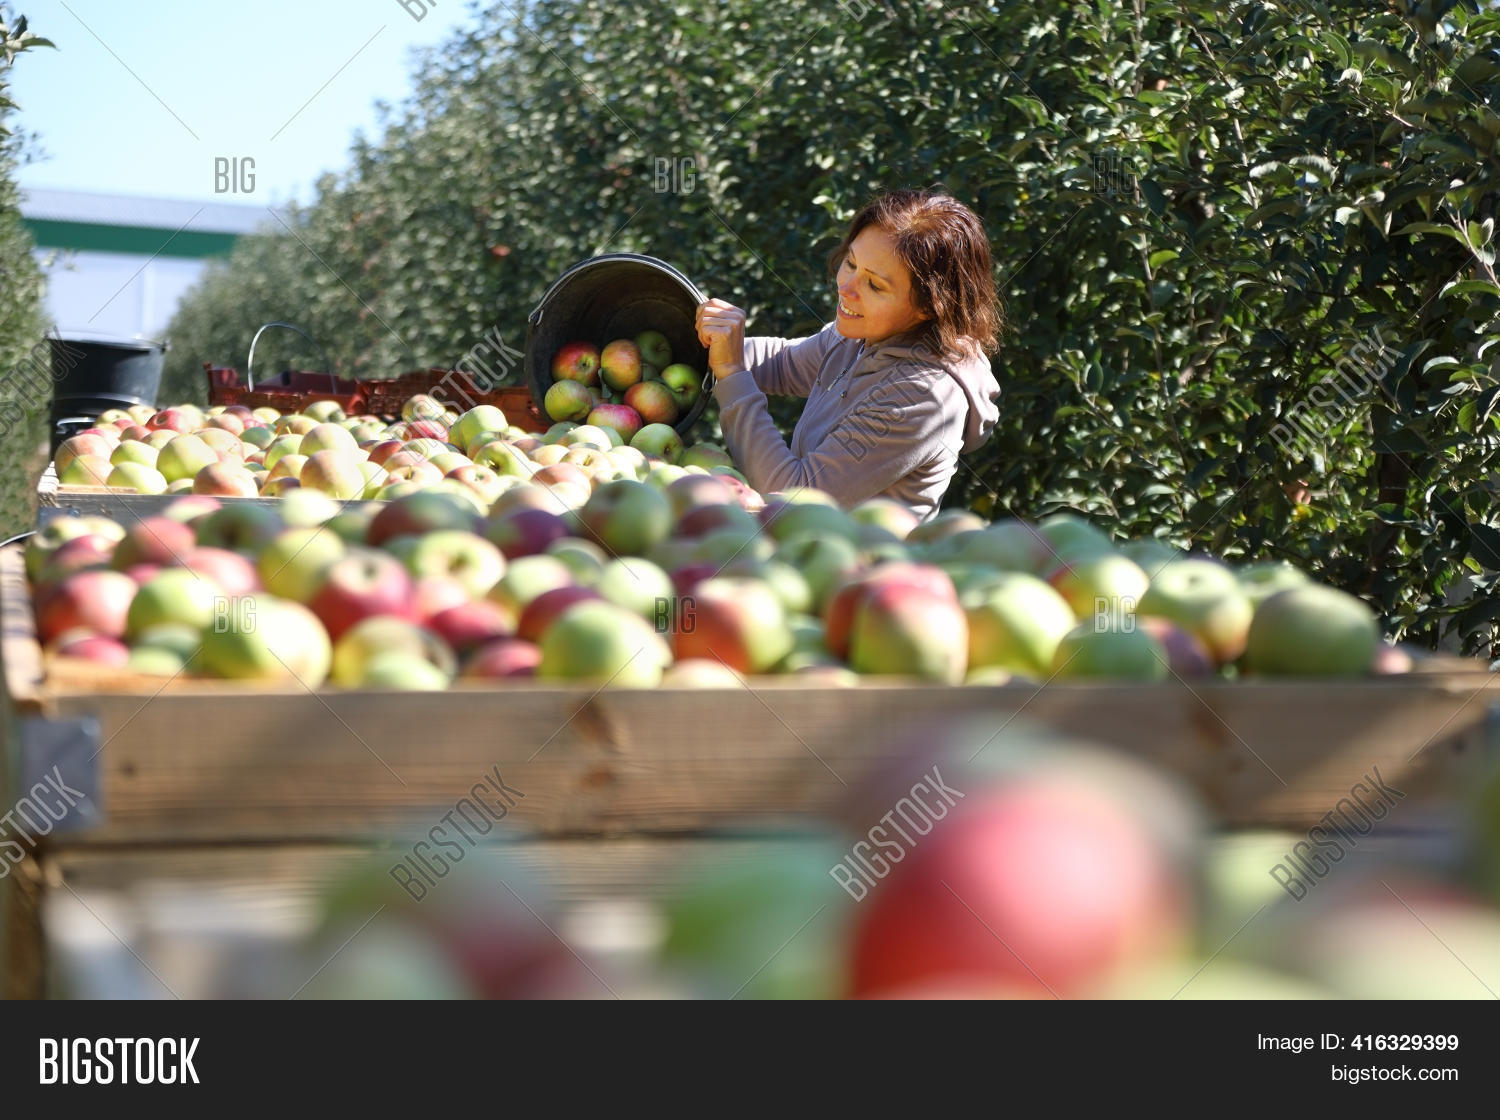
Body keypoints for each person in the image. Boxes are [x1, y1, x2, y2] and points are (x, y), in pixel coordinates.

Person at [694, 189, 1002, 522]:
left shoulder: (921, 398)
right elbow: (784, 363)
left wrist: (729, 372)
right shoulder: (862, 335)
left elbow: (793, 495)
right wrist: (704, 344)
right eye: (851, 263)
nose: (847, 287)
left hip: (854, 567)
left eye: (875, 286)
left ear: (929, 306)